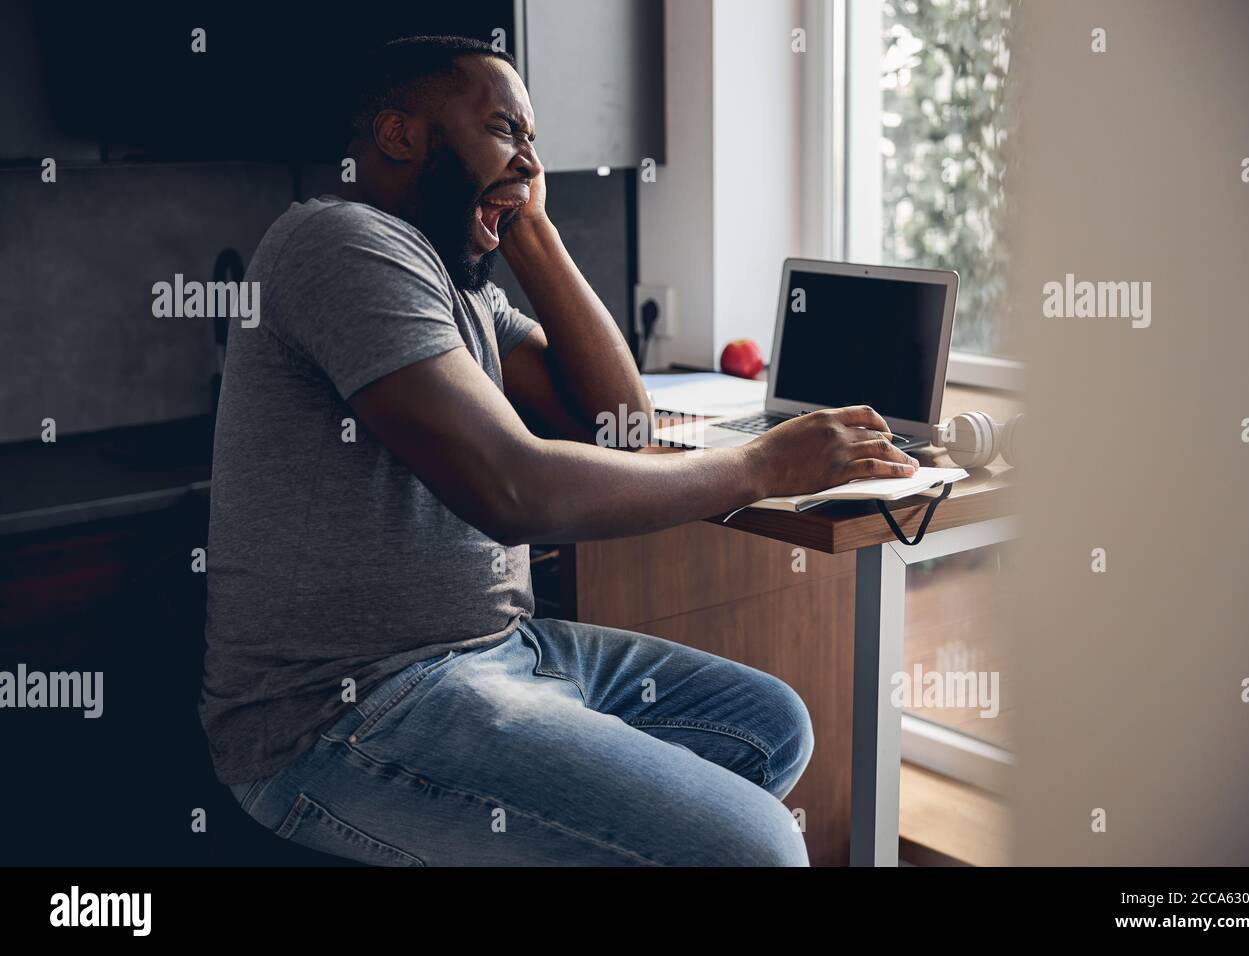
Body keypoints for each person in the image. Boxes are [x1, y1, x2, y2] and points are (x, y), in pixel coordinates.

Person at [198, 36, 918, 866]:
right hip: (347, 709)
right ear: (399, 136)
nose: (532, 159)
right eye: (508, 130)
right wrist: (761, 466)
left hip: (500, 655)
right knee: (758, 849)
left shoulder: (456, 285)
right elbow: (513, 487)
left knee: (768, 728)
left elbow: (624, 426)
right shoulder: (342, 242)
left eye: (534, 141)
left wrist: (531, 230)